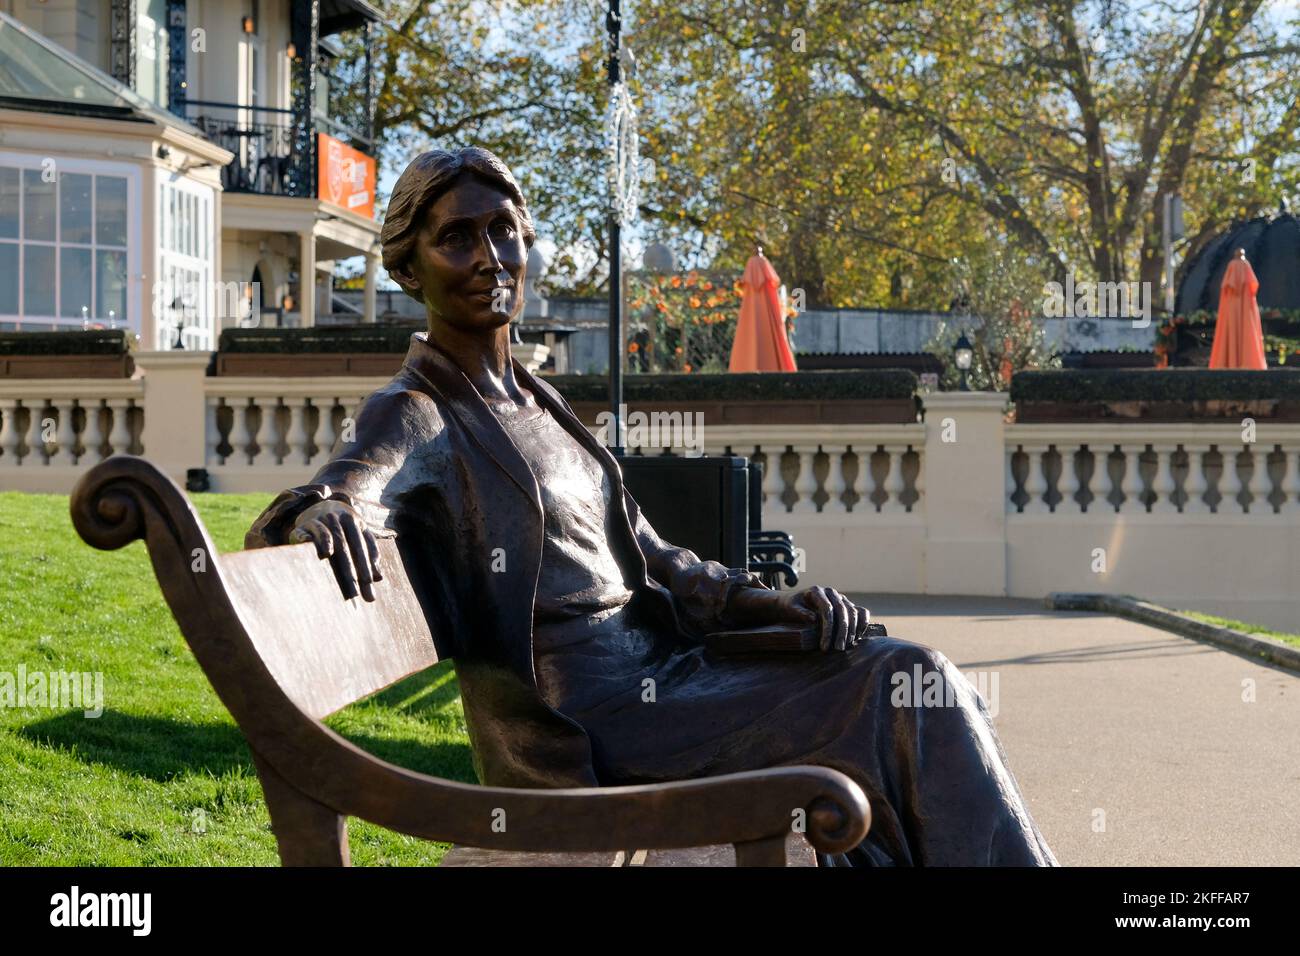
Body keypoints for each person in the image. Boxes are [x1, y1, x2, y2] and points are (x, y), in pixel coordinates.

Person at [246, 147, 1057, 866]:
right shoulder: (421, 409)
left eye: (504, 230)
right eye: (457, 237)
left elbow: (655, 558)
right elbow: (355, 478)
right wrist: (311, 510)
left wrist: (770, 600)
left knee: (907, 681)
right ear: (408, 268)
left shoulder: (539, 401)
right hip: (597, 727)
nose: (491, 257)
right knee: (904, 686)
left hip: (672, 677)